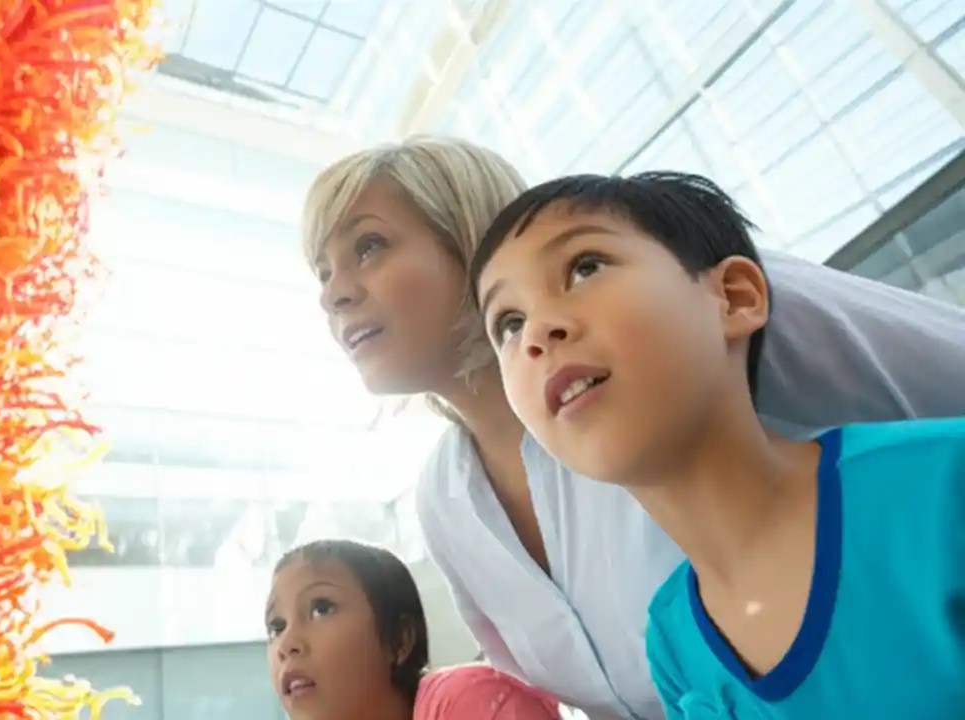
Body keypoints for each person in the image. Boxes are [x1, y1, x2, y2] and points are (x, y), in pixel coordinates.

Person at [301, 136, 965, 719]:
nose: (334, 293)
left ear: (471, 233)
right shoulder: (443, 502)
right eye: (324, 272)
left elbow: (944, 367)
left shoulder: (701, 301)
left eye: (369, 246)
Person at [265, 539, 561, 720]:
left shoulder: (467, 702)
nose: (287, 644)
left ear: (399, 640)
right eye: (276, 627)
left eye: (321, 609)